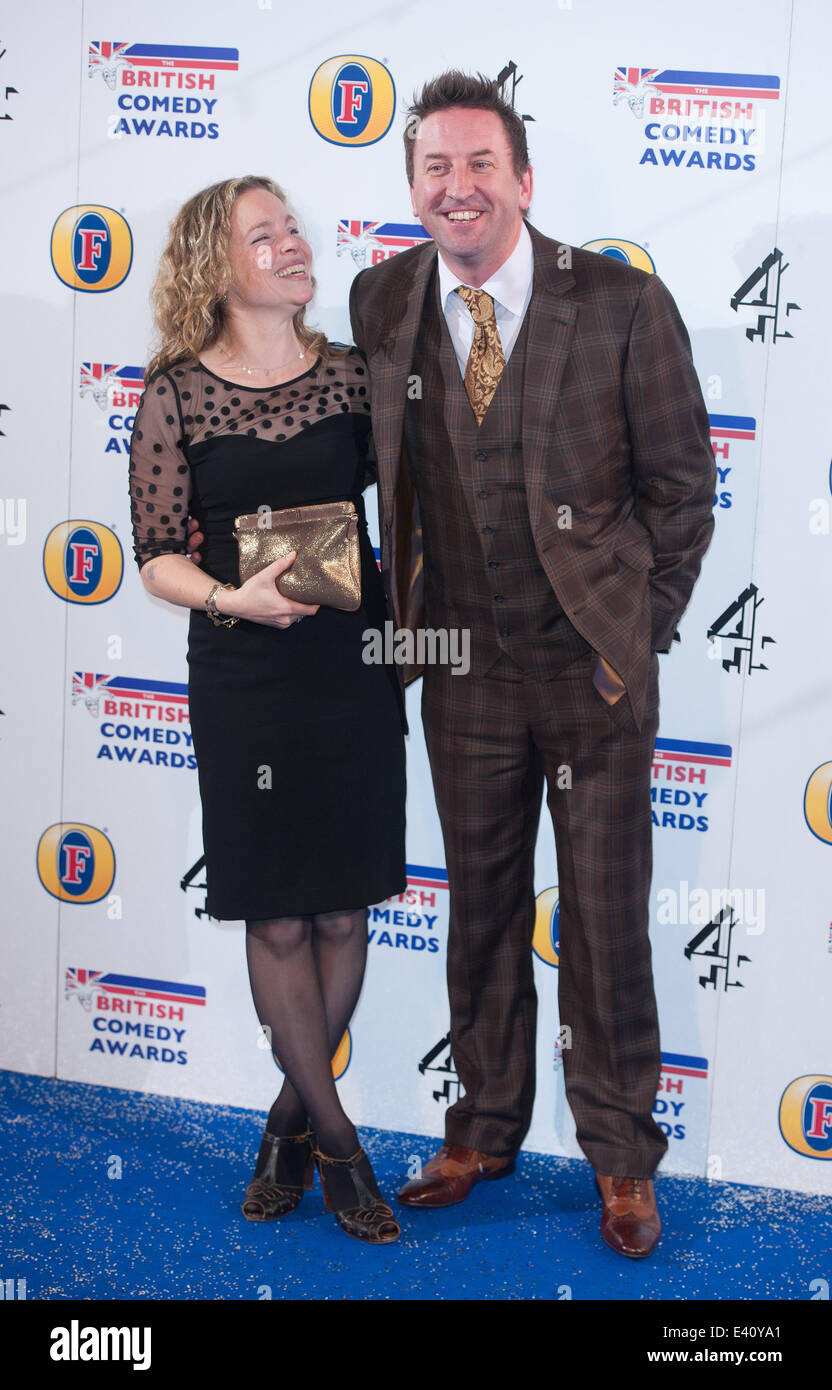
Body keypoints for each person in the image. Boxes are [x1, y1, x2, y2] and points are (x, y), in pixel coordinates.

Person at [346, 71, 717, 1258]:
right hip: (458, 663)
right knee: (482, 912)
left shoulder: (617, 302)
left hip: (591, 674)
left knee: (604, 923)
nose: (456, 189)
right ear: (413, 186)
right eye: (434, 169)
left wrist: (631, 635)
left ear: (522, 180)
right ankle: (483, 1129)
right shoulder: (380, 297)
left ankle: (619, 1157)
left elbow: (682, 492)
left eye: (478, 166)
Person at [128, 175, 405, 1245]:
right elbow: (154, 553)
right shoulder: (176, 393)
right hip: (245, 676)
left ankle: (290, 1121)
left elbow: (415, 505)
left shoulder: (352, 376)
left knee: (343, 908)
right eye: (266, 233)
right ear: (218, 265)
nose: (294, 243)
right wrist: (226, 595)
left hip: (350, 666)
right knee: (280, 912)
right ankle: (340, 1144)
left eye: (293, 226)